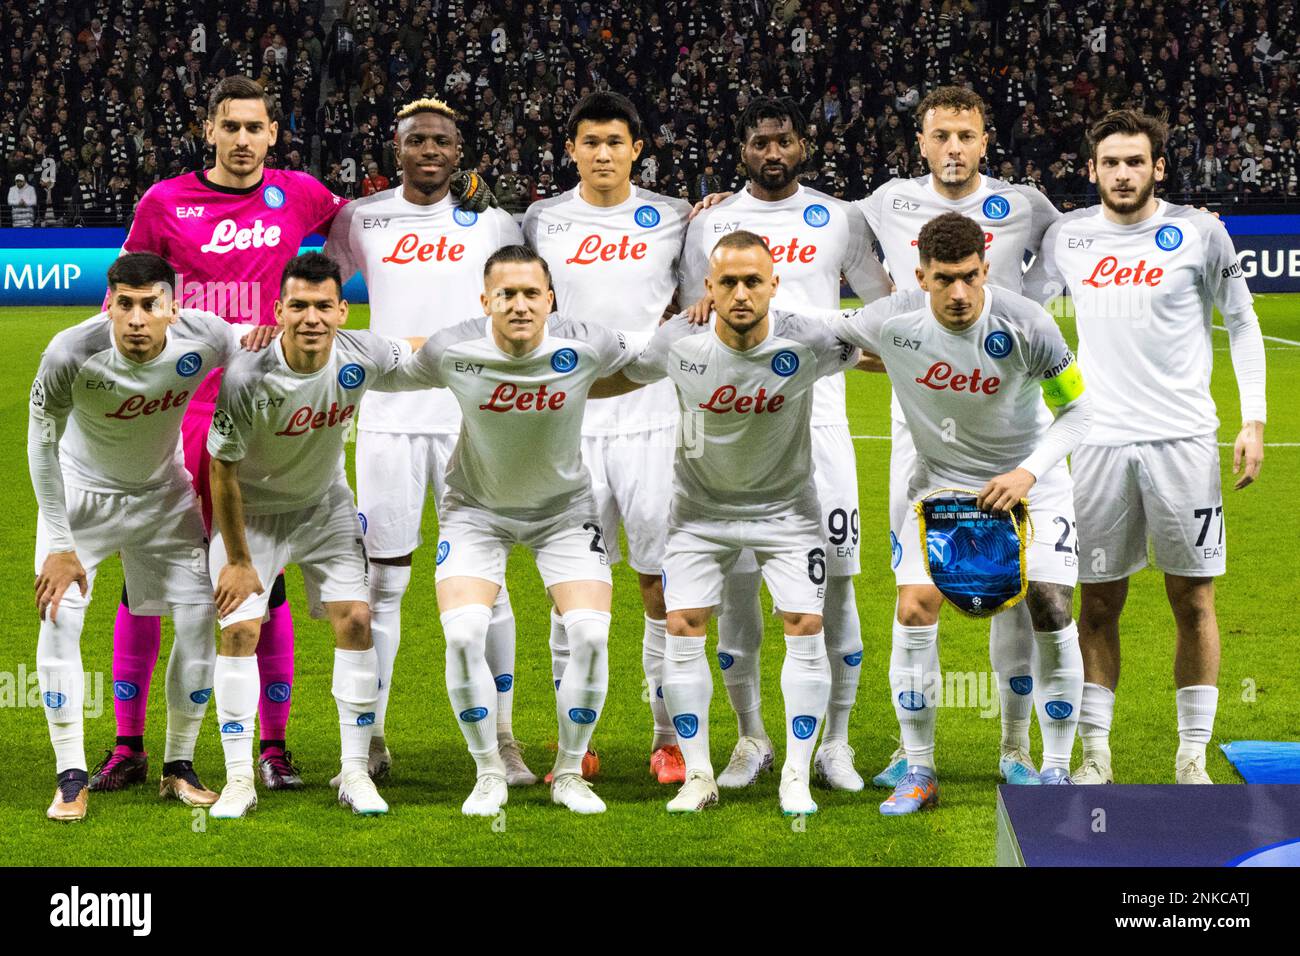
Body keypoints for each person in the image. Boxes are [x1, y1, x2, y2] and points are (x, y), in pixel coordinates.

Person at [1023, 110, 1267, 785]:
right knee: (1097, 603)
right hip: (1096, 443)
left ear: (1159, 167)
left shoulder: (1200, 232)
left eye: (1136, 162)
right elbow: (1025, 313)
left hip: (1184, 442)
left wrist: (1255, 420)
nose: (1123, 173)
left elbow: (1242, 323)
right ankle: (1095, 755)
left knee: (1193, 599)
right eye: (1111, 162)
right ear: (1092, 169)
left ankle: (1191, 756)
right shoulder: (1067, 238)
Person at [822, 212, 1092, 811]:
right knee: (914, 605)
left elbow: (1079, 412)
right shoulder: (892, 319)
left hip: (1029, 484)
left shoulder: (1027, 323)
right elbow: (821, 333)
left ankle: (1048, 766)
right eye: (944, 279)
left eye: (970, 276)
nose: (960, 293)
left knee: (1047, 604)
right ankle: (918, 769)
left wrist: (1027, 473)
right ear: (920, 276)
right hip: (939, 485)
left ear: (986, 269)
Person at [611, 230, 866, 814]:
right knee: (684, 626)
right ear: (708, 288)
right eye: (728, 282)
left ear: (775, 285)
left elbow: (882, 351)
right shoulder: (678, 341)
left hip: (789, 515)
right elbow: (618, 377)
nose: (741, 292)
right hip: (700, 517)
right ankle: (699, 775)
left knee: (805, 623)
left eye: (754, 281)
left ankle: (797, 775)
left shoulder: (810, 342)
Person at [377, 245, 637, 817]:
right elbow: (389, 368)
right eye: (506, 295)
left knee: (591, 636)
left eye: (530, 294)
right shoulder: (453, 349)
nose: (519, 305)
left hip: (564, 513)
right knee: (466, 632)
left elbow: (650, 359)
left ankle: (569, 772)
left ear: (550, 299)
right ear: (486, 301)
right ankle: (489, 770)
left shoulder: (587, 343)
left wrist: (702, 319)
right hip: (477, 511)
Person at [854, 86, 1065, 788]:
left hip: (1008, 418)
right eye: (940, 135)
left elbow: (1080, 242)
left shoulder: (1027, 204)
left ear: (985, 140)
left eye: (965, 136)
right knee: (916, 591)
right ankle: (908, 754)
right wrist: (712, 213)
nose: (953, 148)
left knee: (1016, 587)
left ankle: (1015, 749)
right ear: (920, 142)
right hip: (919, 425)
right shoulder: (885, 201)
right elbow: (818, 230)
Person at [680, 97, 890, 792]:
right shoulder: (708, 221)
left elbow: (883, 310)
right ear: (743, 147)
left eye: (784, 141)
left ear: (803, 145)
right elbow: (687, 316)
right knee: (737, 587)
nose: (773, 152)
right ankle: (751, 738)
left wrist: (823, 336)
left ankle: (836, 743)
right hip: (732, 426)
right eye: (761, 141)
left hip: (820, 422)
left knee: (836, 587)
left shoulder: (841, 218)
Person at [324, 97, 525, 785]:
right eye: (418, 141)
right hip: (386, 417)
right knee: (384, 581)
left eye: (442, 141)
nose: (430, 151)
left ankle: (503, 739)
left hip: (475, 417)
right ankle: (371, 737)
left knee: (489, 585)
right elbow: (321, 291)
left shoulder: (492, 220)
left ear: (459, 150)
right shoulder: (363, 218)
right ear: (397, 147)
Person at [29, 253, 272, 821]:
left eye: (150, 305)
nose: (137, 318)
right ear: (108, 305)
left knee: (197, 621)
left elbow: (255, 345)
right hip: (81, 499)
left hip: (164, 497)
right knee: (59, 614)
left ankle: (178, 766)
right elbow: (41, 445)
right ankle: (70, 774)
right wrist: (61, 544)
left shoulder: (206, 337)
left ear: (173, 306)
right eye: (125, 305)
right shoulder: (69, 352)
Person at [521, 91, 693, 785]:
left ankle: (667, 737)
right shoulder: (542, 220)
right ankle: (576, 738)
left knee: (659, 584)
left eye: (615, 142)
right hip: (569, 424)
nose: (602, 154)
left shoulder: (675, 217)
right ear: (571, 149)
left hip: (654, 421)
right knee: (571, 588)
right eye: (589, 141)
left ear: (636, 149)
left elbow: (693, 297)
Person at [205, 253, 408, 820]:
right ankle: (239, 779)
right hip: (255, 515)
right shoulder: (248, 376)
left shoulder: (362, 353)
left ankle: (354, 772)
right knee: (241, 632)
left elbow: (422, 352)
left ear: (343, 311)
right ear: (279, 311)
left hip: (325, 508)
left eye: (324, 306)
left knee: (357, 621)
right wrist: (240, 560)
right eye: (299, 306)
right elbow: (220, 467)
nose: (311, 317)